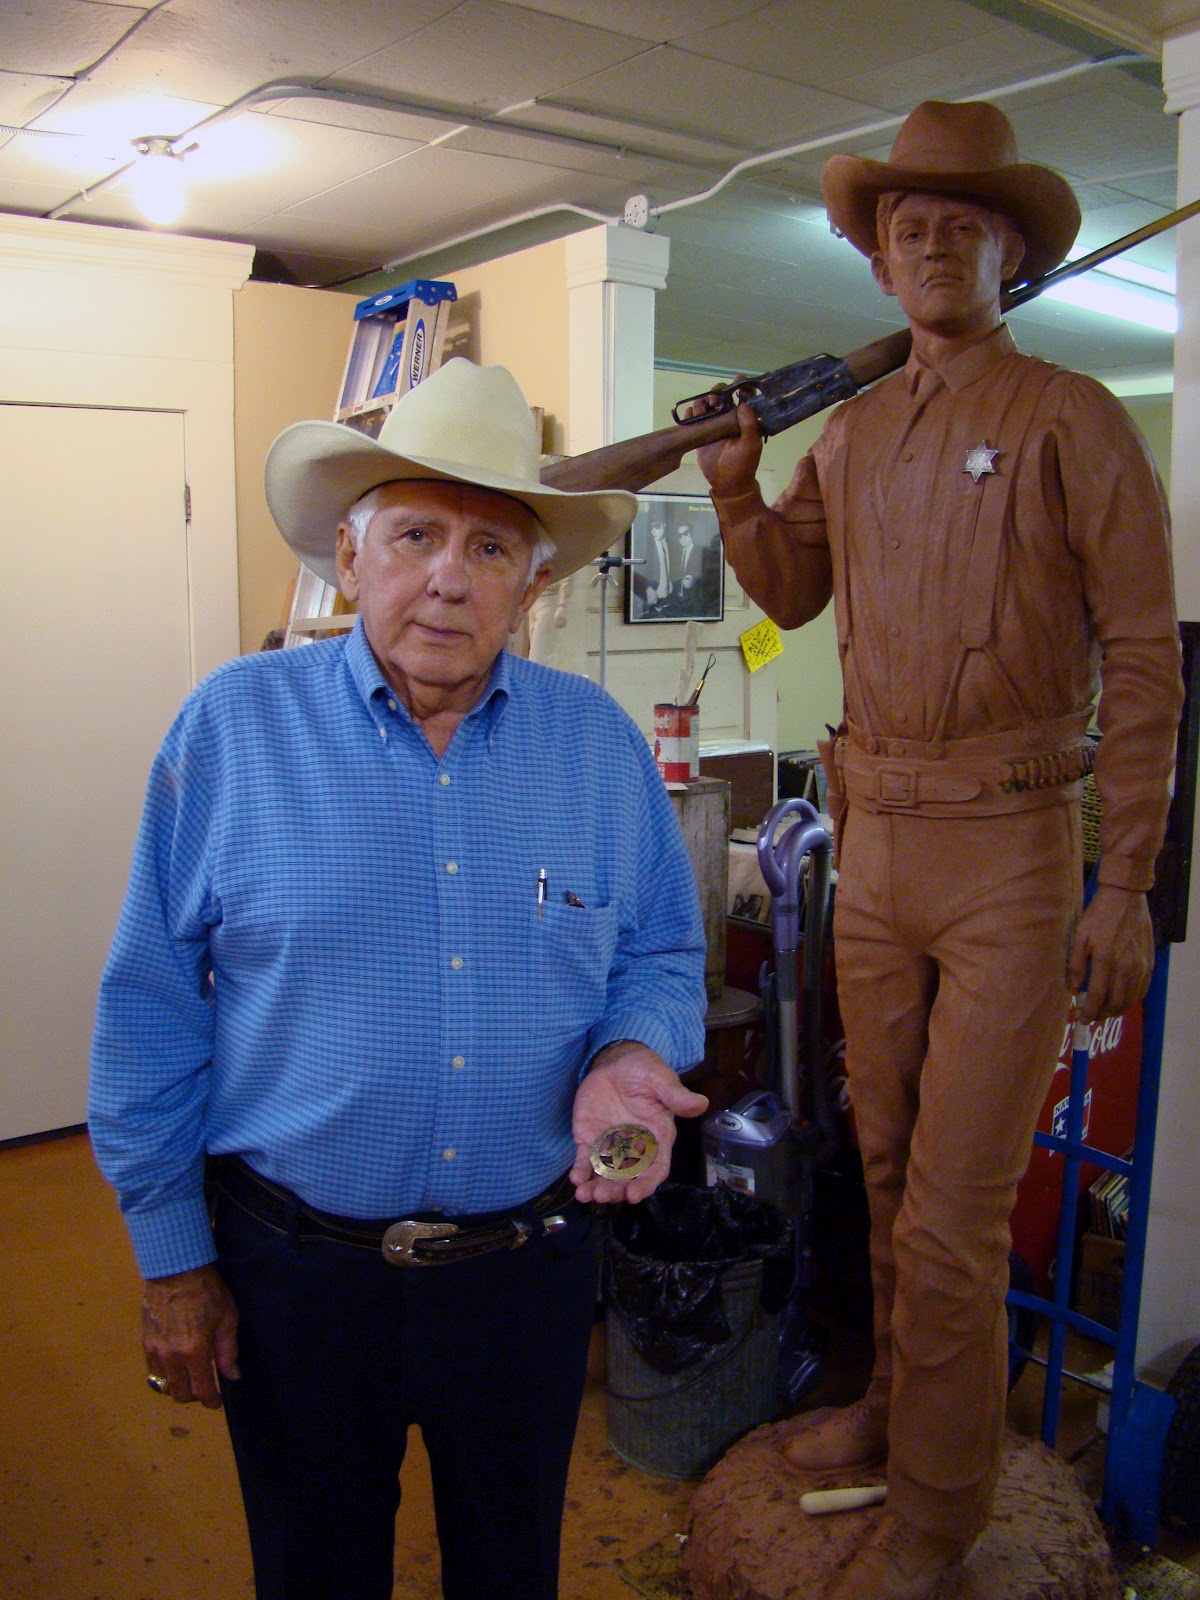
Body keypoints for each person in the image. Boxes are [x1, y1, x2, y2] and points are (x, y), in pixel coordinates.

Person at [89, 357, 710, 1600]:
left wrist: (631, 1054)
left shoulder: (596, 746)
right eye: (416, 533)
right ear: (348, 555)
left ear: (532, 585)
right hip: (295, 1281)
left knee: (508, 1572)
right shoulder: (230, 730)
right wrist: (171, 1257)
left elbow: (660, 951)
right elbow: (151, 1007)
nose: (447, 575)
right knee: (314, 1576)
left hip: (526, 1276)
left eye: (490, 548)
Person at [695, 101, 1182, 1600]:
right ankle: (899, 1413)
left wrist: (1127, 881)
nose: (923, 236)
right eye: (903, 219)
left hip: (1013, 853)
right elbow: (792, 588)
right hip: (875, 840)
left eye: (958, 219)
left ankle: (938, 1514)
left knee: (961, 1217)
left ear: (1013, 252)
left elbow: (1149, 656)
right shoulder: (852, 431)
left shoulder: (1073, 419)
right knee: (889, 1161)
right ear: (880, 255)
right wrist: (730, 481)